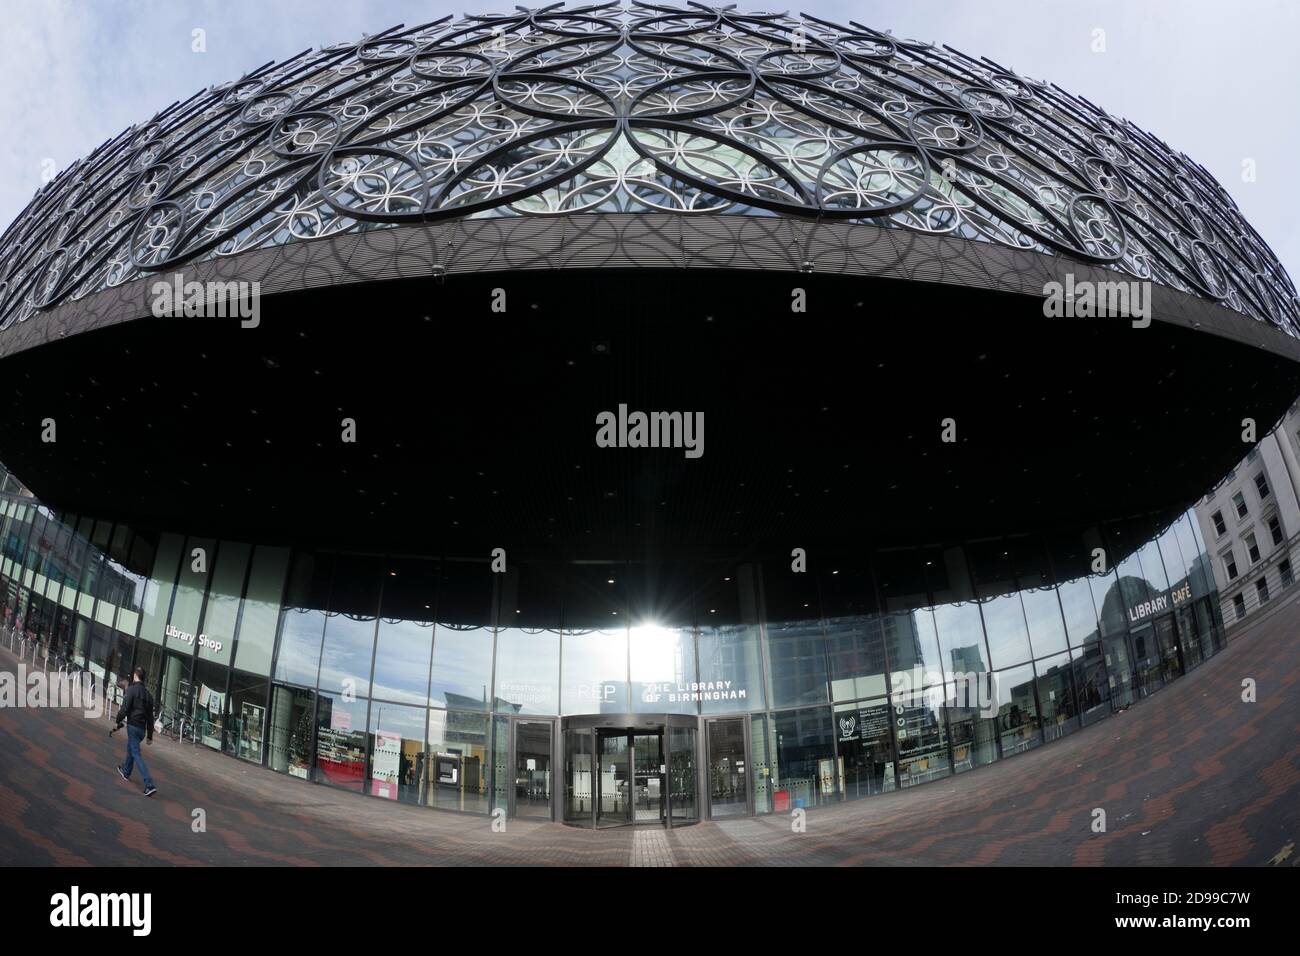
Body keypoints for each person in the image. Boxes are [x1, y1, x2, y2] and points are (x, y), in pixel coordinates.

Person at [115, 666, 157, 797]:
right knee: (132, 748)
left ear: (134, 676)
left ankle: (149, 784)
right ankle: (126, 771)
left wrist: (118, 720)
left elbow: (125, 708)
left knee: (136, 753)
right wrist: (150, 735)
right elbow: (151, 718)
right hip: (142, 730)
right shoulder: (149, 696)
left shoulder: (132, 690)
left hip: (133, 726)